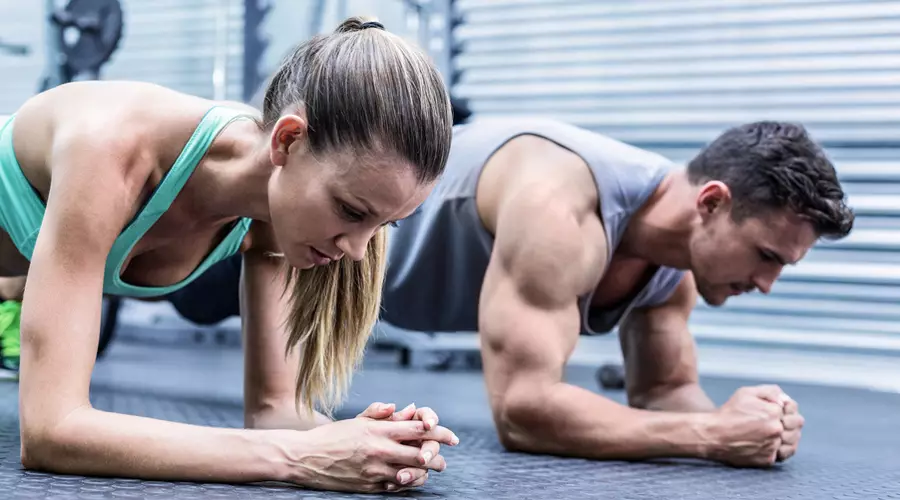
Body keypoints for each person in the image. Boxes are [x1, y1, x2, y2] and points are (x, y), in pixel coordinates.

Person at [0, 17, 460, 494]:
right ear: (287, 140)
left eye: (383, 225)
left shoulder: (275, 220)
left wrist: (371, 441)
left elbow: (272, 412)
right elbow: (52, 431)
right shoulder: (109, 148)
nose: (358, 252)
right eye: (349, 210)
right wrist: (297, 457)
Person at [379, 117, 853, 467]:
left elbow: (666, 390)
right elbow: (523, 410)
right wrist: (712, 434)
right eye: (766, 256)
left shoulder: (677, 261)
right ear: (711, 202)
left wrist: (750, 426)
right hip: (338, 260)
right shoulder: (558, 209)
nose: (767, 285)